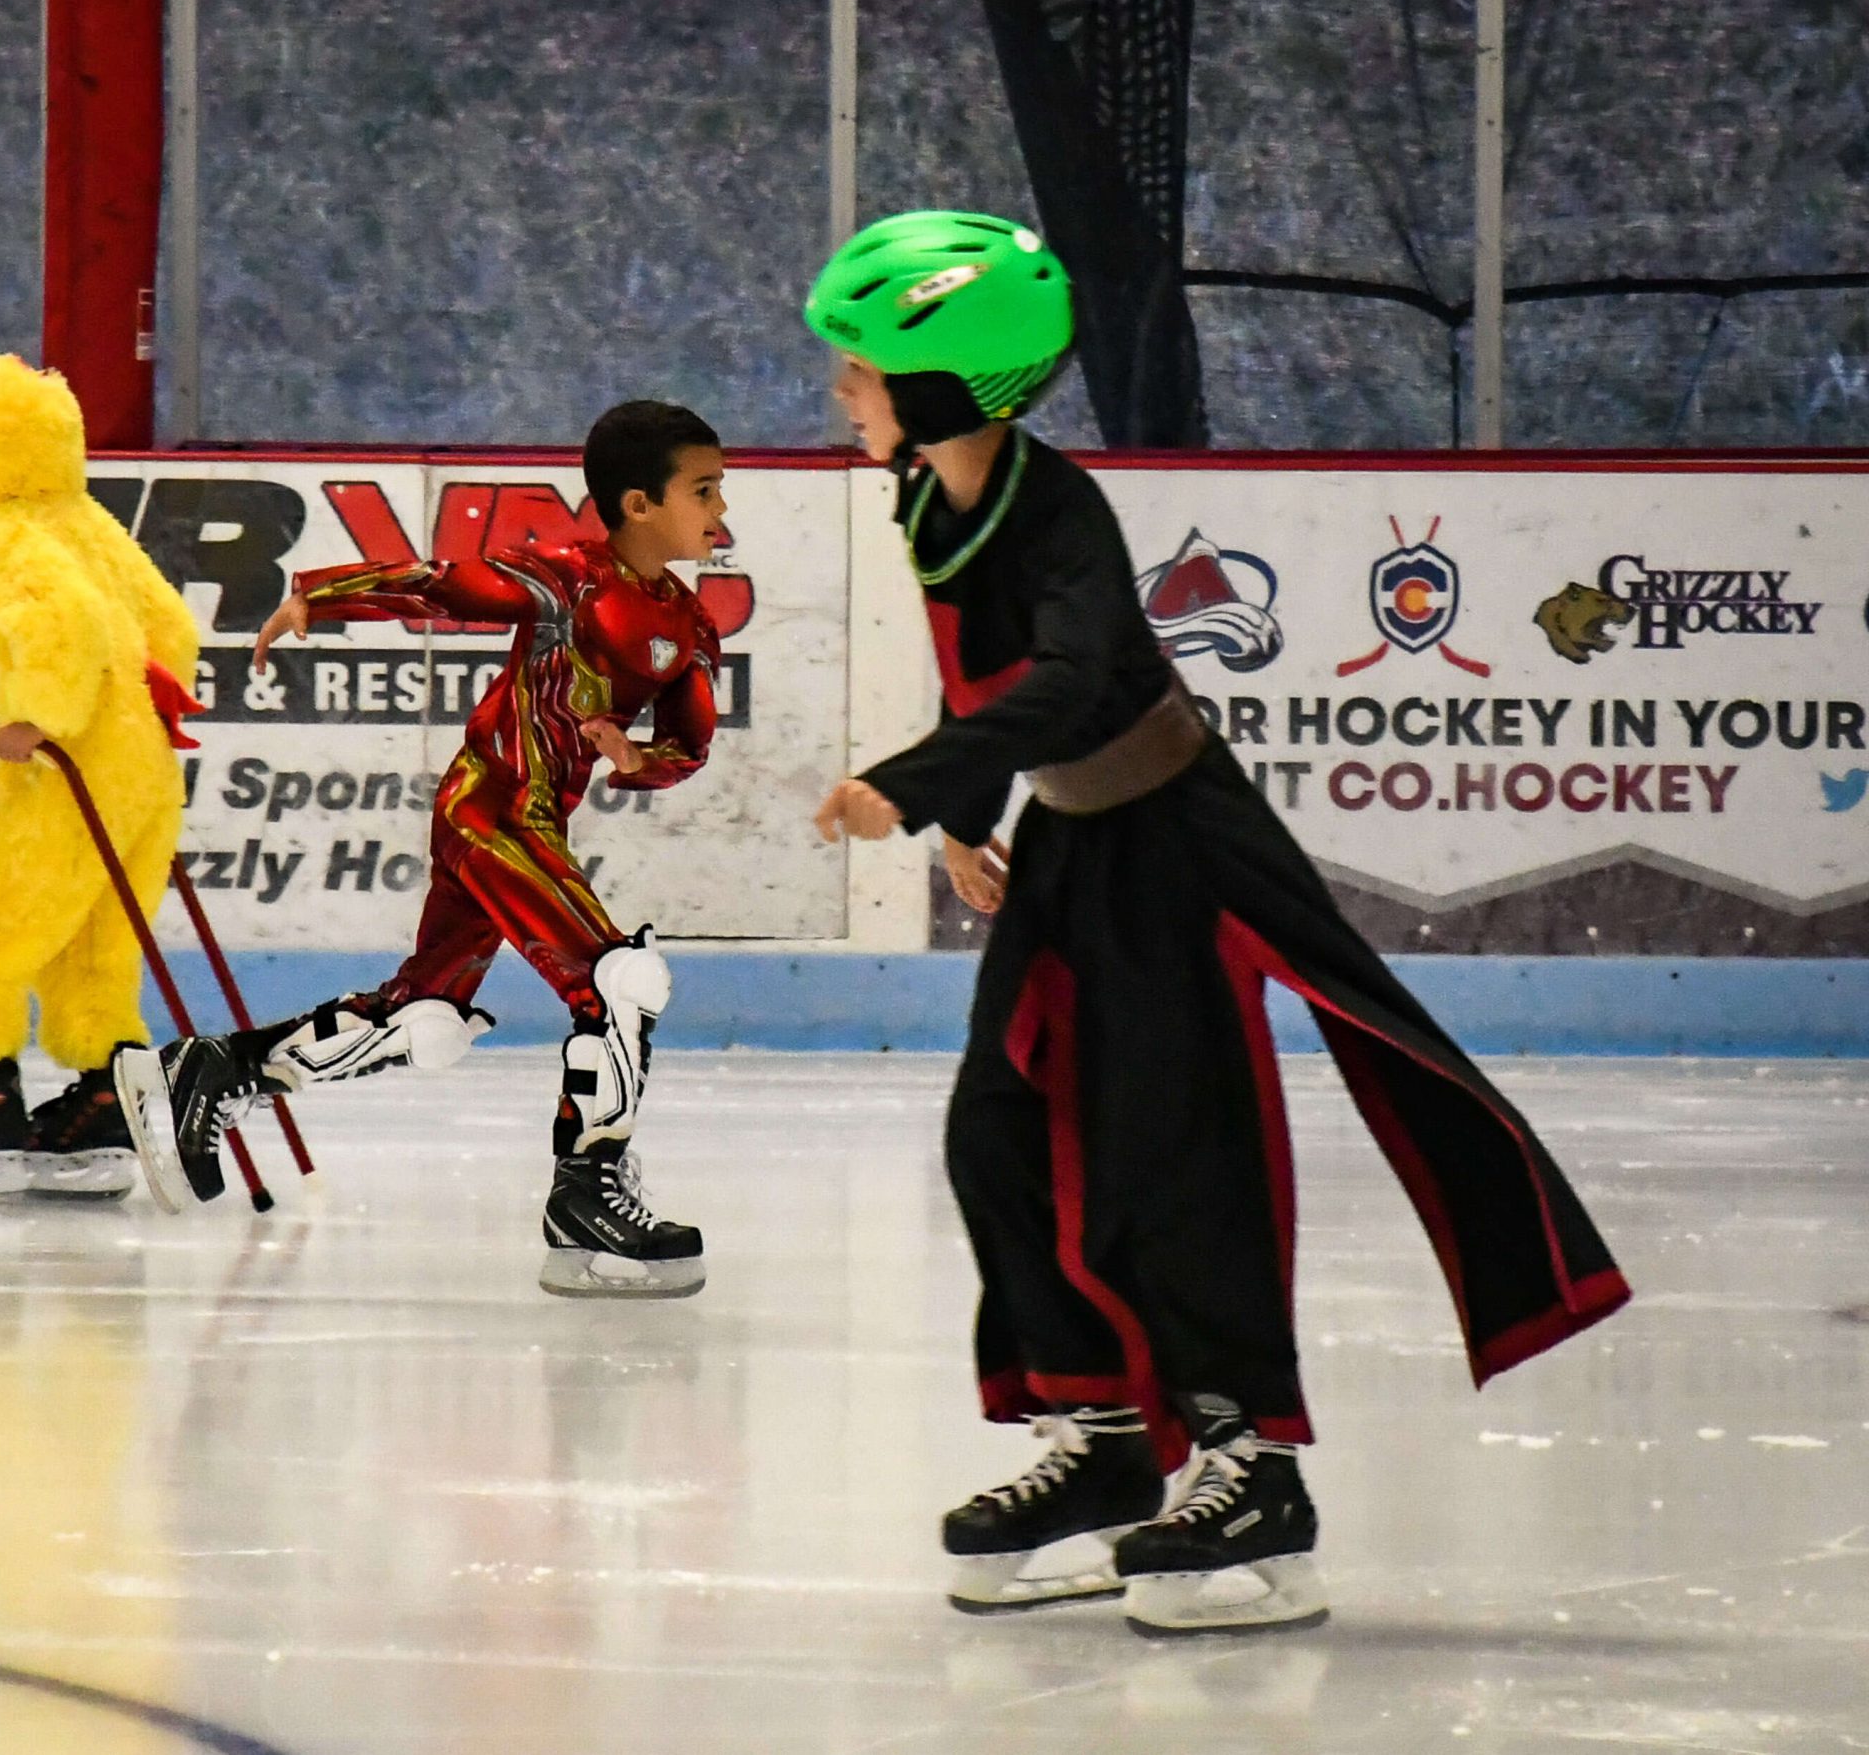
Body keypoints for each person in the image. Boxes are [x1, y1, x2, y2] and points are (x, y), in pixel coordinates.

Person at [805, 212, 1630, 1632]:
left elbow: (1072, 679)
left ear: (945, 382)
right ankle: (1110, 1447)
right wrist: (963, 812)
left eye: (862, 366)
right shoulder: (939, 493)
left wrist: (912, 781)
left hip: (1172, 842)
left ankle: (1254, 1467)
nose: (840, 389)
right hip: (1075, 836)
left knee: (1176, 1156)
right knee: (997, 1130)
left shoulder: (1057, 509)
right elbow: (985, 673)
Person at [117, 400, 729, 1298]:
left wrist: (638, 759)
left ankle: (216, 1070)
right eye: (704, 490)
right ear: (638, 504)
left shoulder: (687, 623)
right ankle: (588, 1195)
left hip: (530, 822)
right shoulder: (570, 581)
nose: (722, 511)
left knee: (424, 1021)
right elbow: (447, 582)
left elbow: (691, 741)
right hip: (494, 811)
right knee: (620, 979)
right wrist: (319, 594)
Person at [0, 355, 204, 1201]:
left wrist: (34, 715)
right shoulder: (84, 518)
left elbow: (64, 622)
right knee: (94, 936)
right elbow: (172, 625)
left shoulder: (7, 532)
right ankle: (99, 1102)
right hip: (147, 765)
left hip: (71, 763)